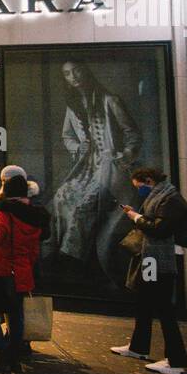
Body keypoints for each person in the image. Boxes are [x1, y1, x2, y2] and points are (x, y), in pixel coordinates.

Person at [47, 60, 142, 288]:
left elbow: (132, 133)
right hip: (85, 166)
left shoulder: (110, 101)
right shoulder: (73, 106)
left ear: (85, 71)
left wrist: (124, 155)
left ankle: (75, 262)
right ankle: (63, 257)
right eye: (67, 73)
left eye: (76, 70)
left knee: (84, 207)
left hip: (109, 168)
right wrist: (78, 148)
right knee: (62, 196)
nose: (73, 76)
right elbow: (67, 136)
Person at [110, 167, 187, 374]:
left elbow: (159, 228)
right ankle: (138, 347)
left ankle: (176, 360)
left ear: (149, 180)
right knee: (144, 300)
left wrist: (136, 217)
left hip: (161, 260)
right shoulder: (160, 197)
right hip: (150, 258)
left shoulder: (171, 200)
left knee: (164, 307)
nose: (139, 192)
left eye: (140, 187)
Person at [0, 174, 50, 374]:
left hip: (1, 270)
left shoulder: (5, 214)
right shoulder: (35, 216)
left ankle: (2, 356)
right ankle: (14, 356)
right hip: (22, 271)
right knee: (16, 315)